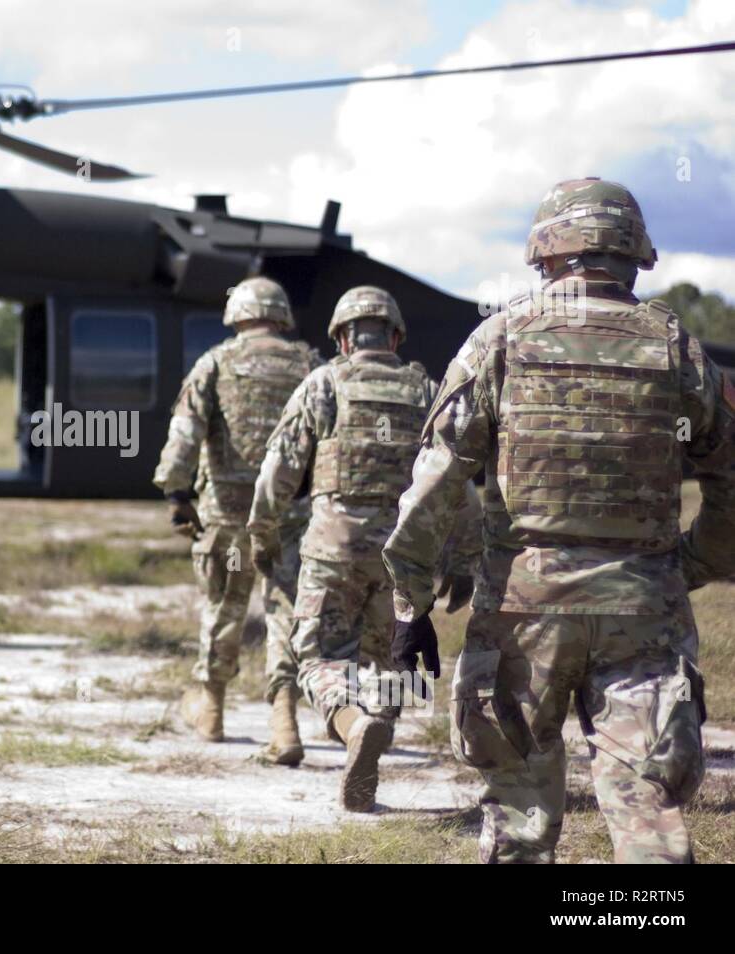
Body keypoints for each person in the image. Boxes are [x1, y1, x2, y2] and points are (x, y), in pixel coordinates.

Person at [383, 178, 735, 863]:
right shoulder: (680, 349)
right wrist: (688, 565)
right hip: (644, 611)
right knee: (648, 811)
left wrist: (409, 604)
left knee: (519, 815)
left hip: (524, 611)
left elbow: (435, 484)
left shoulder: (499, 339)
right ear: (634, 256)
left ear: (546, 255)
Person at [249, 285, 476, 810]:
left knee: (320, 658)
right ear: (395, 336)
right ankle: (372, 730)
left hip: (334, 551)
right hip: (406, 558)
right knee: (391, 664)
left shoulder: (323, 384)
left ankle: (352, 728)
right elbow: (459, 482)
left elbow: (276, 474)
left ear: (343, 338)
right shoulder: (426, 392)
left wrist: (262, 536)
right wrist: (465, 559)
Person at [153, 277, 322, 761]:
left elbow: (185, 432)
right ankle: (284, 720)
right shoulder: (310, 365)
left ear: (237, 315)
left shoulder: (215, 362)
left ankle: (212, 710)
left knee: (224, 608)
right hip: (290, 515)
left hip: (226, 516)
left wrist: (176, 492)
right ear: (282, 314)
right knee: (285, 614)